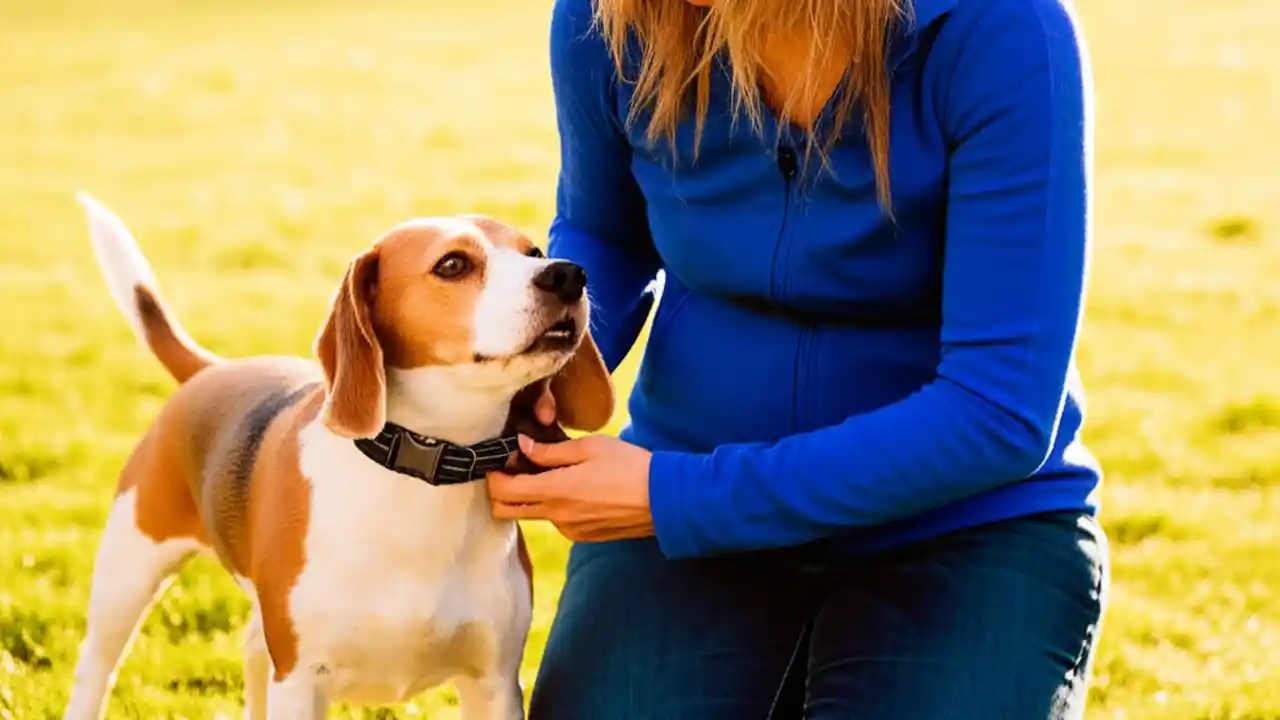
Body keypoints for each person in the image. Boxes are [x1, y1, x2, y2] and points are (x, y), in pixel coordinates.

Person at [487, 0, 1107, 716]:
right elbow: (606, 232)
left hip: (965, 526)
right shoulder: (609, 20)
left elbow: (998, 412)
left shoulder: (1002, 29)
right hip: (679, 514)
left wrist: (678, 496)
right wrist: (530, 370)